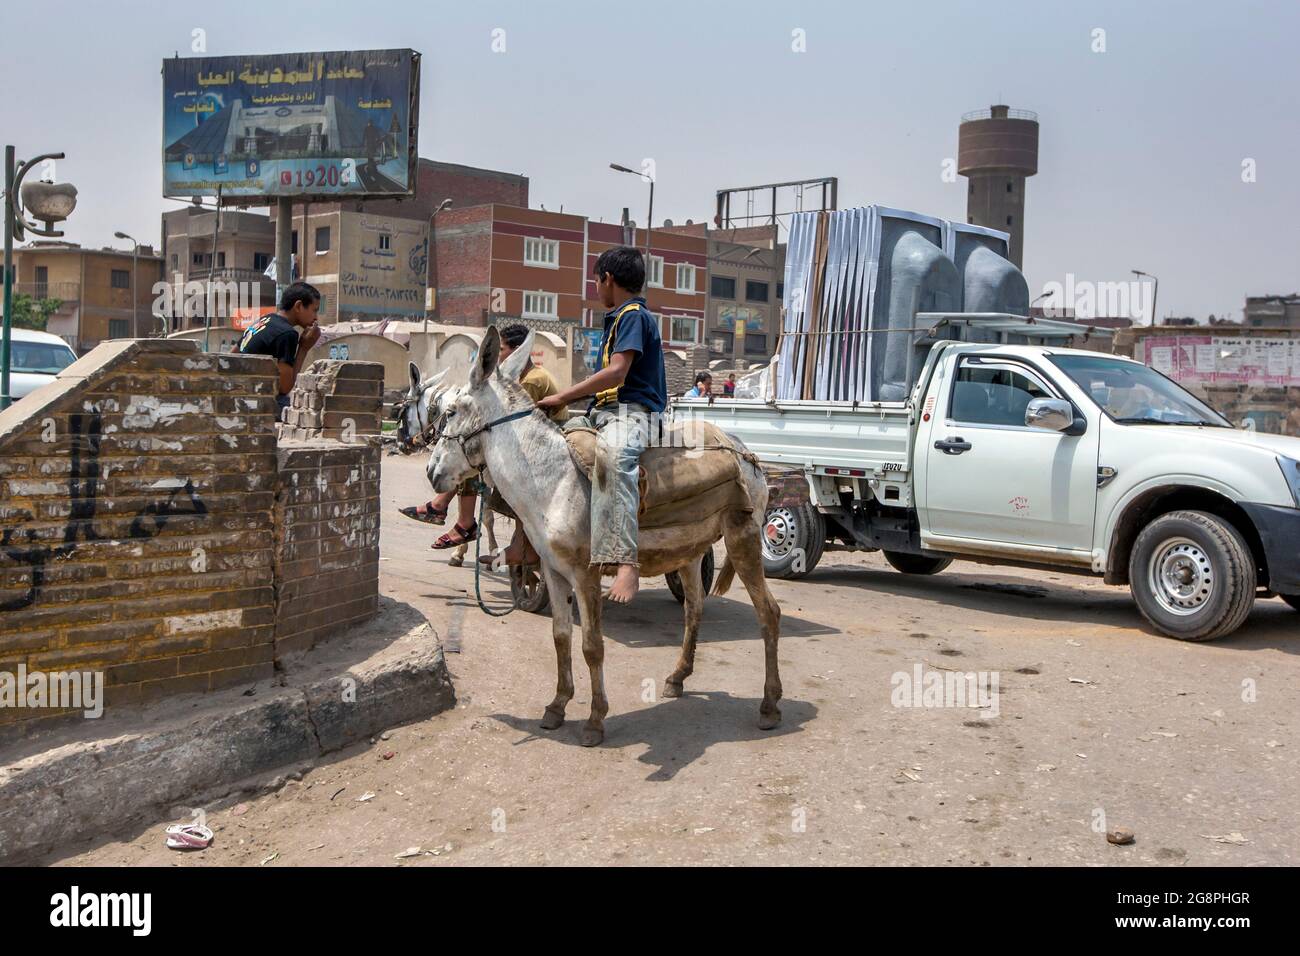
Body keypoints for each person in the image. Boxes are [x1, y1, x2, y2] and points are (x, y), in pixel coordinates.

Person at [537, 246, 666, 604]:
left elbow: (617, 372)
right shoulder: (618, 318)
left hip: (634, 413)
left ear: (608, 279)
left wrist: (563, 397)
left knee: (613, 457)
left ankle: (627, 562)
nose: (595, 288)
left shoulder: (634, 316)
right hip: (604, 412)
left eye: (595, 281)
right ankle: (528, 542)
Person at [238, 281, 322, 418]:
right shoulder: (287, 334)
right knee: (302, 412)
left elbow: (234, 353)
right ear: (299, 306)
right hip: (253, 399)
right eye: (314, 310)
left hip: (238, 390)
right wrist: (304, 348)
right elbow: (285, 387)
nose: (316, 317)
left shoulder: (265, 320)